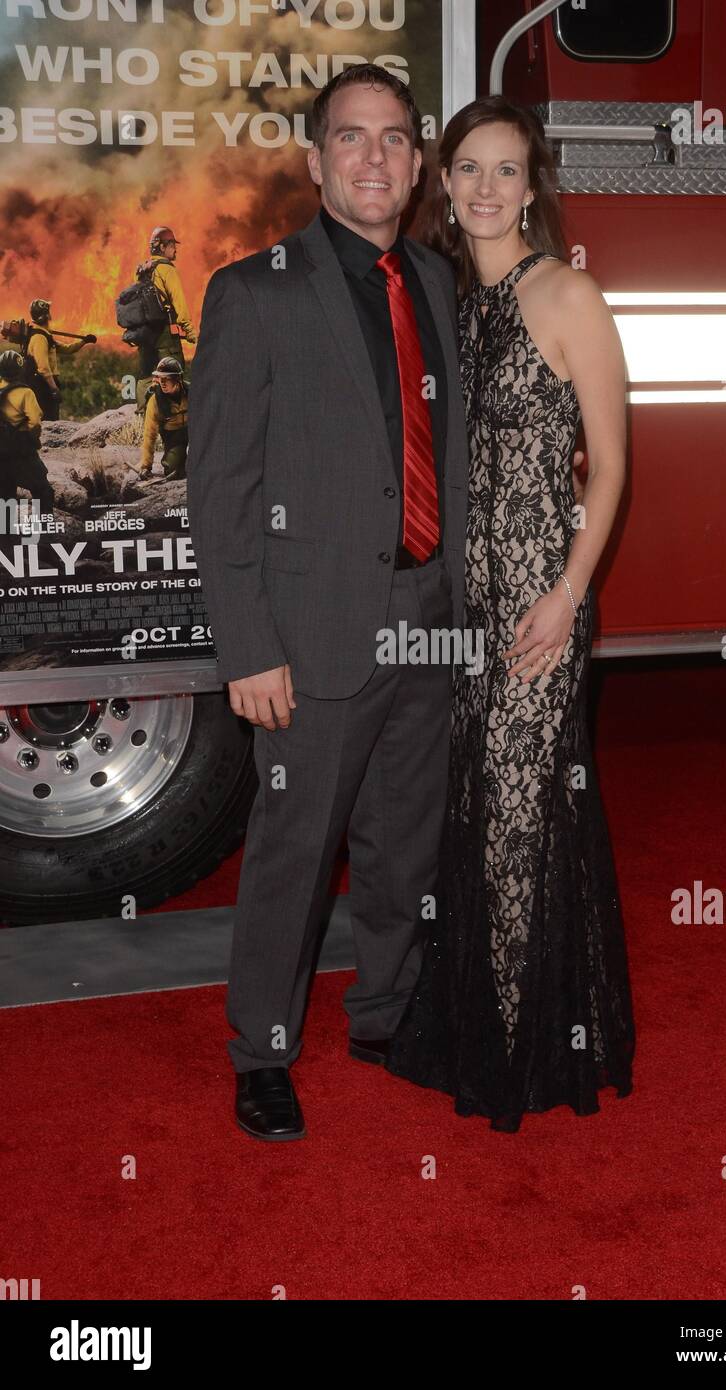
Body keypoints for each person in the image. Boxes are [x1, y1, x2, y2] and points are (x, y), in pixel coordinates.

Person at [186, 64, 469, 1142]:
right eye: (352, 139)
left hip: (427, 619)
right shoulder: (251, 292)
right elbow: (220, 491)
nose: (376, 159)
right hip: (308, 638)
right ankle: (262, 1048)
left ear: (416, 160)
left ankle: (386, 1011)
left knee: (406, 844)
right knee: (295, 852)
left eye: (396, 140)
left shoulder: (438, 284)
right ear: (315, 161)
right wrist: (249, 647)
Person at [385, 95, 636, 1132]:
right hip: (468, 606)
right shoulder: (450, 301)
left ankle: (531, 1051)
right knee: (484, 805)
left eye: (506, 170)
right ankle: (486, 1025)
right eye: (468, 170)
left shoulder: (571, 295)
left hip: (541, 600)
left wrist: (570, 592)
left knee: (527, 809)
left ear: (531, 188)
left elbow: (614, 468)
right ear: (444, 184)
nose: (486, 189)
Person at [134, 227, 197, 413]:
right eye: (171, 245)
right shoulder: (167, 270)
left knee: (146, 375)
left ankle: (144, 417)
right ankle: (173, 416)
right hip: (164, 333)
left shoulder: (142, 270)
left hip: (145, 333)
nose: (174, 249)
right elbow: (179, 302)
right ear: (162, 247)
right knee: (173, 372)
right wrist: (190, 331)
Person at [0, 348, 54, 514]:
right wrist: (32, 439)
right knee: (43, 490)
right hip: (21, 451)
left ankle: (6, 534)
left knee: (5, 495)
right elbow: (35, 423)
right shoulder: (25, 392)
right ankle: (45, 529)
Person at [25, 299, 95, 420]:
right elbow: (43, 368)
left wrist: (84, 341)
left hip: (45, 384)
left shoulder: (45, 335)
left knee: (51, 418)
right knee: (48, 419)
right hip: (42, 386)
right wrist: (54, 389)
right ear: (47, 315)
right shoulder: (39, 338)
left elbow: (67, 349)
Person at [139, 356, 189, 480]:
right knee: (172, 469)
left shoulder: (192, 392)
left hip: (195, 434)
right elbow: (149, 435)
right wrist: (146, 466)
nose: (162, 382)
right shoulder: (155, 402)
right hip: (174, 439)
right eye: (160, 378)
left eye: (166, 378)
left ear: (178, 379)